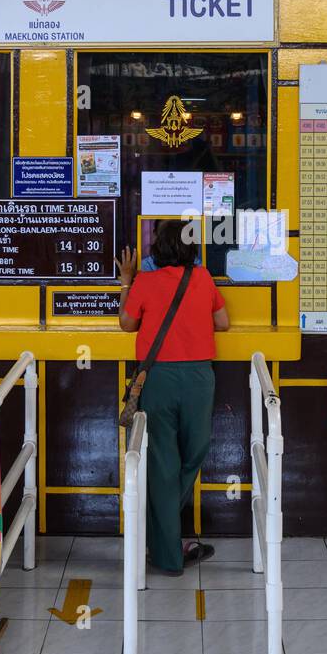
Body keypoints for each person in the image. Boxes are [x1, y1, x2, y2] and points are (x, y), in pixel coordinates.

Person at [117, 219, 229, 575]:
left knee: (164, 463)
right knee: (194, 452)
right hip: (198, 378)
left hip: (159, 380)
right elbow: (223, 323)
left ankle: (159, 537)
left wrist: (125, 282)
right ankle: (168, 555)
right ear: (190, 248)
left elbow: (126, 323)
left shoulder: (144, 282)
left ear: (157, 250)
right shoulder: (203, 278)